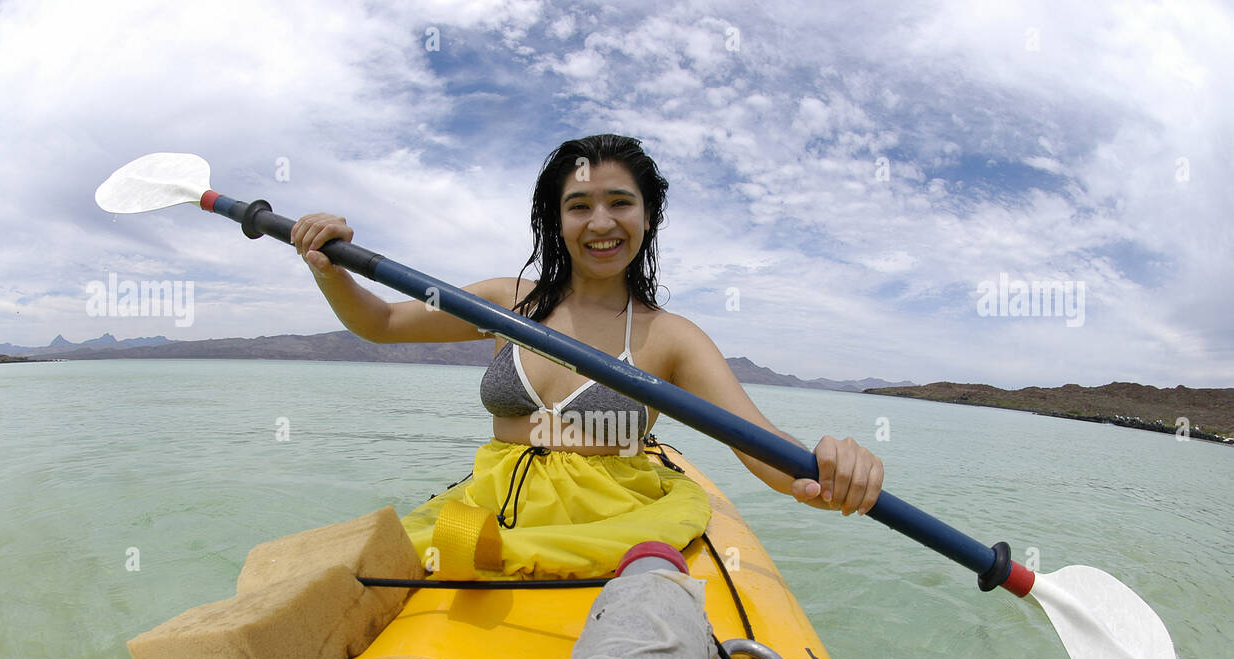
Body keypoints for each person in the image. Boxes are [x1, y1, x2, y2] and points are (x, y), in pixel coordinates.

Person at [291, 133, 884, 577]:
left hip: (612, 520)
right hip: (491, 499)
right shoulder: (504, 303)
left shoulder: (672, 338)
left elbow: (763, 450)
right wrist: (330, 265)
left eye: (620, 202)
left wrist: (830, 471)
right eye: (578, 205)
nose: (600, 222)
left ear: (648, 218)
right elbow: (383, 321)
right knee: (358, 568)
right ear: (557, 219)